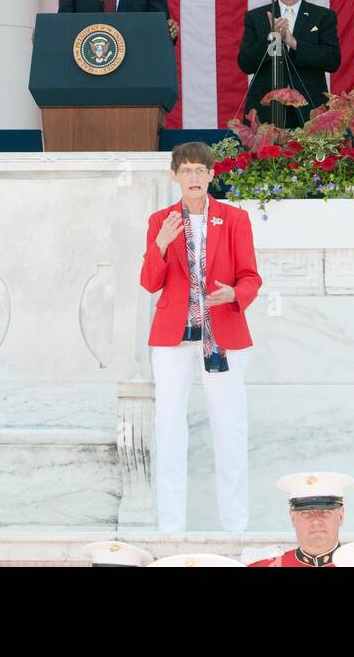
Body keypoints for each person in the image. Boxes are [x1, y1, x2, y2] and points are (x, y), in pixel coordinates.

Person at [140, 142, 261, 534]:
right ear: (174, 176)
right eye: (186, 170)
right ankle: (170, 531)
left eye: (201, 170)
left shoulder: (235, 218)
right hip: (173, 338)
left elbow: (250, 276)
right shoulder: (160, 220)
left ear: (212, 175)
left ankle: (235, 531)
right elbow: (149, 283)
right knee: (170, 429)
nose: (194, 177)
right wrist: (160, 245)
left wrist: (236, 295)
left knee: (230, 429)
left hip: (221, 334)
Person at [237, 0, 340, 126]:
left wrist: (294, 43)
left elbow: (332, 61)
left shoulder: (323, 16)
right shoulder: (256, 17)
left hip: (309, 110)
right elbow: (245, 64)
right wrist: (270, 38)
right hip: (265, 110)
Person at [247, 471, 354, 568]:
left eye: (325, 512)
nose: (316, 521)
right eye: (306, 513)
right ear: (293, 518)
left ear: (340, 516)